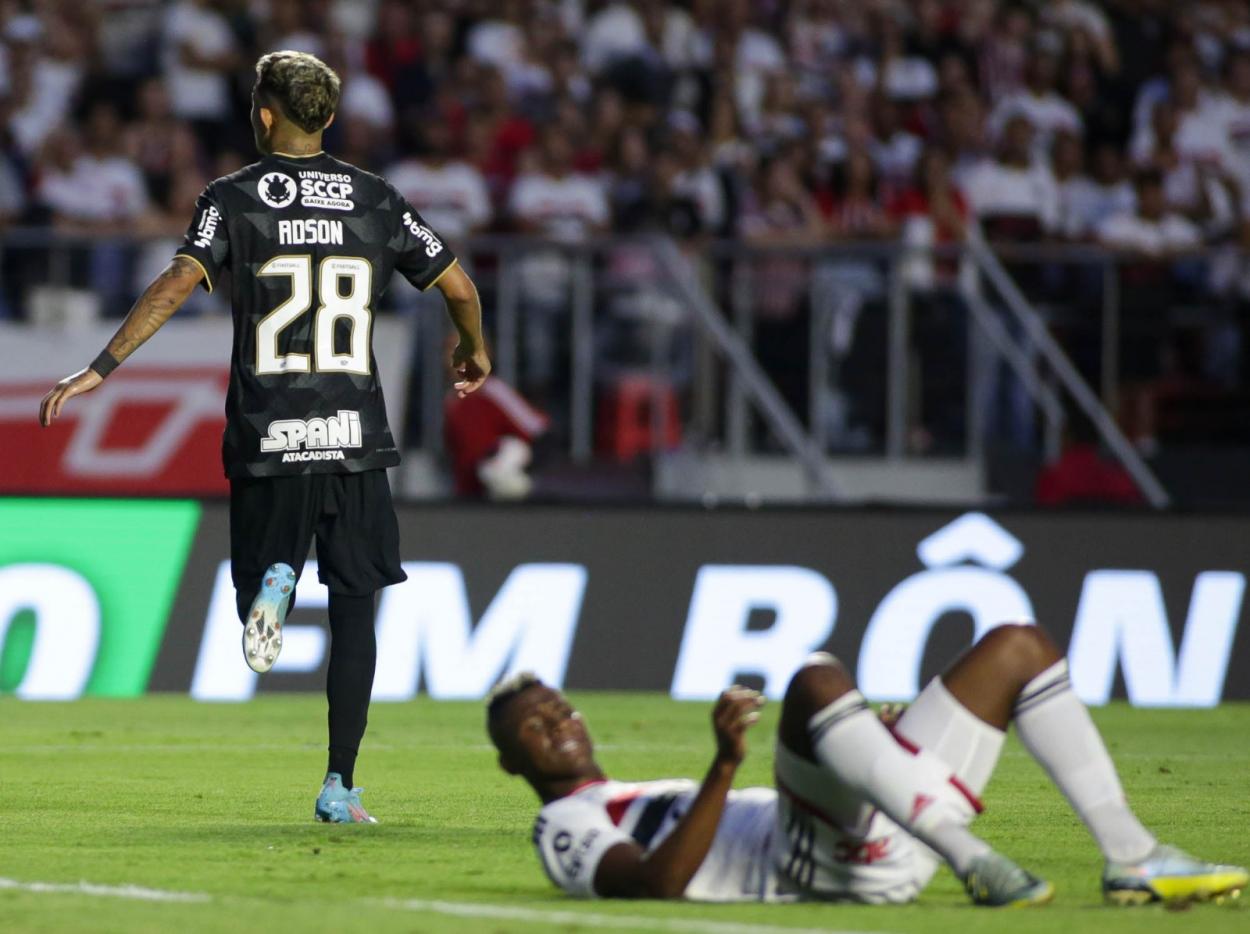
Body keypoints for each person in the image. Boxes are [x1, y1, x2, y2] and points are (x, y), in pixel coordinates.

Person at [39, 50, 491, 824]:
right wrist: (472, 346)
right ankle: (340, 785)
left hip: (269, 428)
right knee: (356, 609)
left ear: (267, 114)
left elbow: (176, 281)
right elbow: (457, 284)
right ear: (330, 119)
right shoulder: (377, 198)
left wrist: (100, 367)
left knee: (256, 579)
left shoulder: (234, 198)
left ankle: (272, 584)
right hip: (353, 432)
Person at [487, 624, 1247, 907]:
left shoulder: (637, 791)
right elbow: (657, 887)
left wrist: (868, 754)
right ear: (507, 759)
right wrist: (723, 766)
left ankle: (1134, 856)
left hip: (880, 831)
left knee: (1020, 648)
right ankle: (972, 858)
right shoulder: (562, 823)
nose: (556, 722)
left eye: (558, 707)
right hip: (813, 865)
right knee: (815, 678)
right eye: (534, 724)